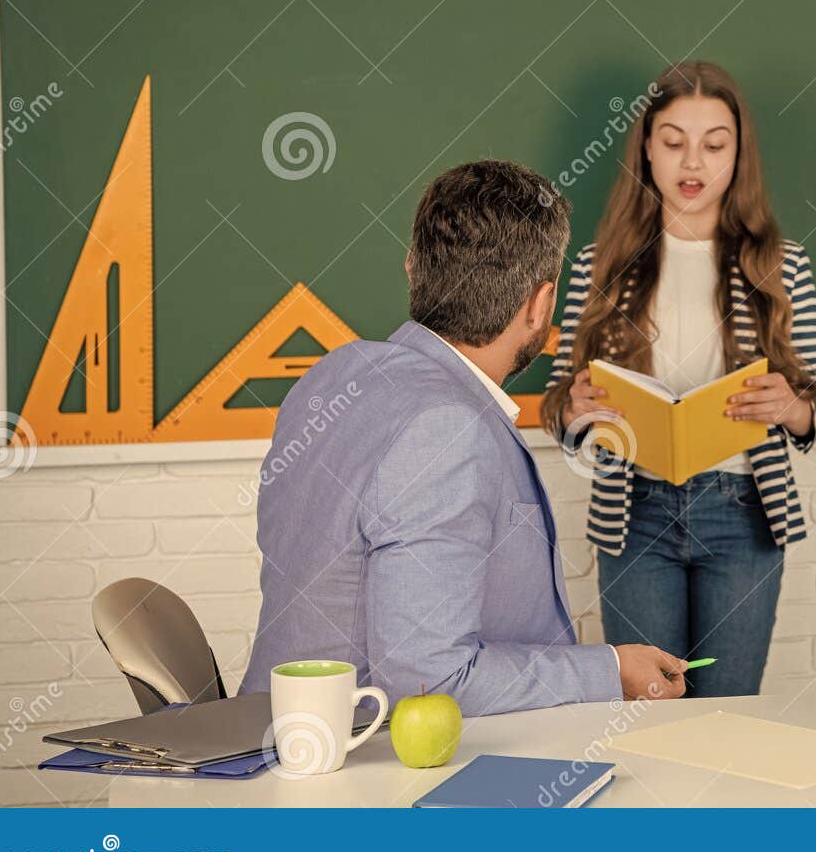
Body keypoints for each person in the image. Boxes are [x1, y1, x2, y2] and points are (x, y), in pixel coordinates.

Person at [240, 160, 687, 713]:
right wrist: (612, 669)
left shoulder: (334, 374)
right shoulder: (446, 430)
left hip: (280, 733)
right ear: (540, 305)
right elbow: (429, 681)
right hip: (370, 767)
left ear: (412, 268)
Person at [542, 61, 816, 697]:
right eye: (674, 142)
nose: (692, 163)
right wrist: (575, 411)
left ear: (740, 154)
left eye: (714, 144)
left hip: (745, 518)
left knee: (726, 712)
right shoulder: (600, 265)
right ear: (646, 147)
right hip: (635, 517)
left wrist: (790, 407)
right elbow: (557, 407)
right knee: (648, 710)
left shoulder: (782, 265)